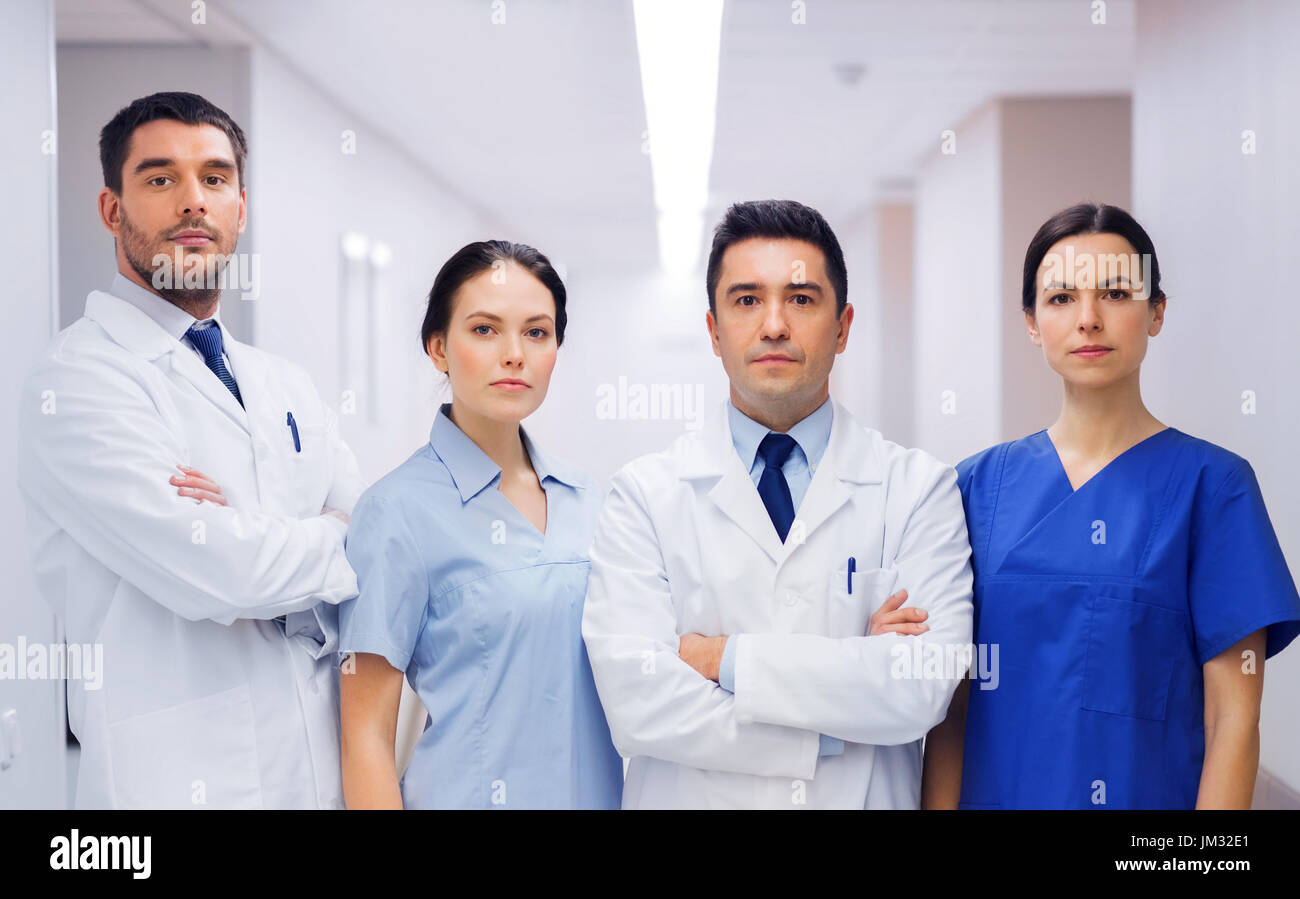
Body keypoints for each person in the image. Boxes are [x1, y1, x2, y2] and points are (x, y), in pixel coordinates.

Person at [17, 92, 364, 809]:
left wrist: (254, 533)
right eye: (159, 178)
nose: (192, 202)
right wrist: (326, 535)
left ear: (240, 206)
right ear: (113, 210)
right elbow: (220, 571)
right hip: (168, 789)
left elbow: (381, 541)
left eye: (213, 178)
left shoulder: (284, 382)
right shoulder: (78, 381)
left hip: (315, 780)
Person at [581, 200, 974, 809]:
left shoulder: (919, 488)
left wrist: (720, 658)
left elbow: (922, 688)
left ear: (843, 326)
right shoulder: (645, 495)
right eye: (745, 300)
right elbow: (637, 706)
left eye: (800, 299)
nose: (773, 325)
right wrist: (851, 678)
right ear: (713, 331)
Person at [920, 202, 1300, 809]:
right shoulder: (973, 488)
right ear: (1031, 322)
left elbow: (1234, 721)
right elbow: (951, 711)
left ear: (1156, 313)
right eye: (1061, 297)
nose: (1088, 320)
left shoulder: (1215, 488)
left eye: (1117, 294)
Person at [337, 240, 622, 809]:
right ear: (438, 347)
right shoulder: (396, 512)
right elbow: (364, 735)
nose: (514, 354)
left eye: (537, 332)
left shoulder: (594, 502)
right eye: (485, 329)